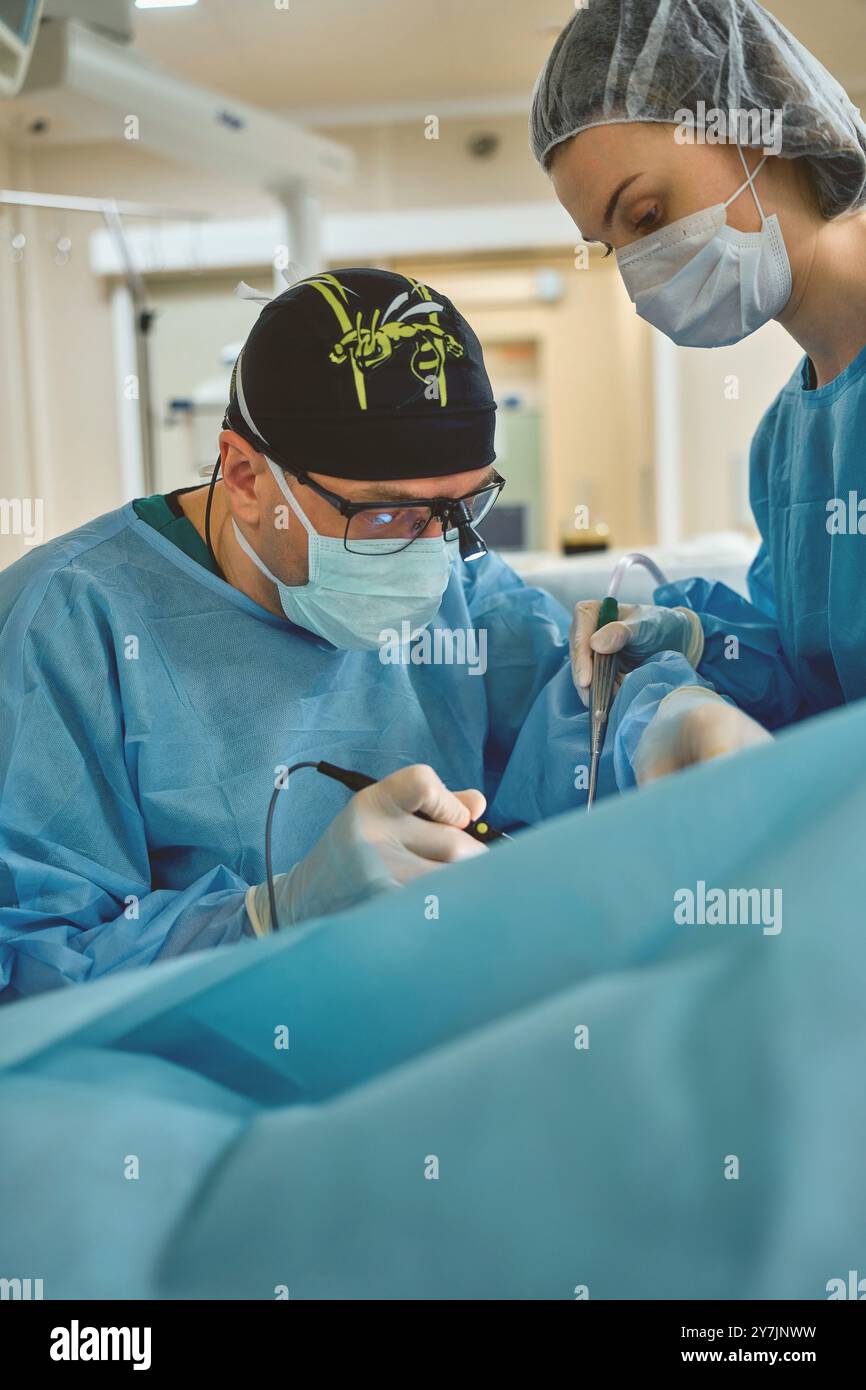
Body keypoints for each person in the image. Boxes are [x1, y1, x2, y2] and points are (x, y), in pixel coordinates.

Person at [0, 267, 763, 1000]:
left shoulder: (456, 586)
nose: (432, 550)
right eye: (386, 515)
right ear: (244, 477)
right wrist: (269, 917)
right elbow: (37, 968)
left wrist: (664, 715)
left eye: (459, 507)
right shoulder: (68, 623)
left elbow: (567, 696)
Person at [530, 0, 866, 733]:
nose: (641, 271)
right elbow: (815, 692)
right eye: (612, 246)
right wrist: (701, 640)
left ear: (759, 127)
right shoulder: (785, 445)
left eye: (646, 216)